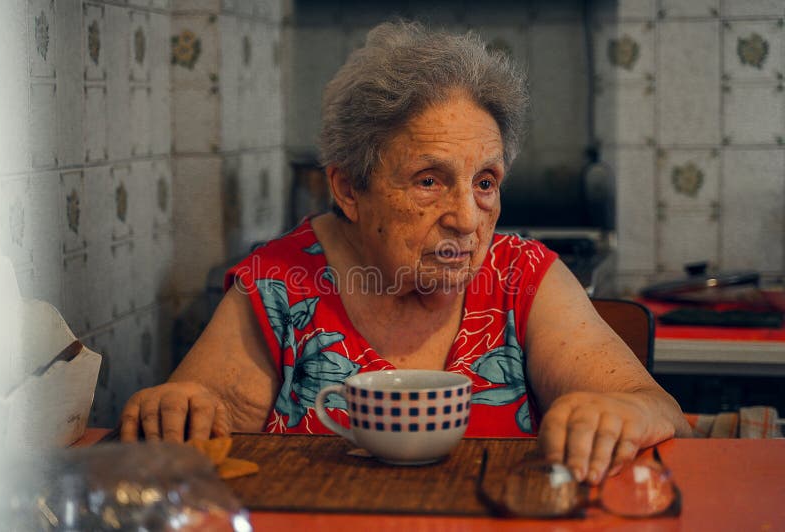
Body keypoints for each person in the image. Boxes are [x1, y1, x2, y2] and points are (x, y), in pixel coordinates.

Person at [120, 20, 691, 485]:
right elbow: (197, 424)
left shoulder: (522, 275)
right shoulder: (279, 283)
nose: (468, 218)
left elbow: (654, 406)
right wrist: (176, 409)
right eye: (428, 181)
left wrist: (625, 412)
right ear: (348, 189)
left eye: (485, 182)